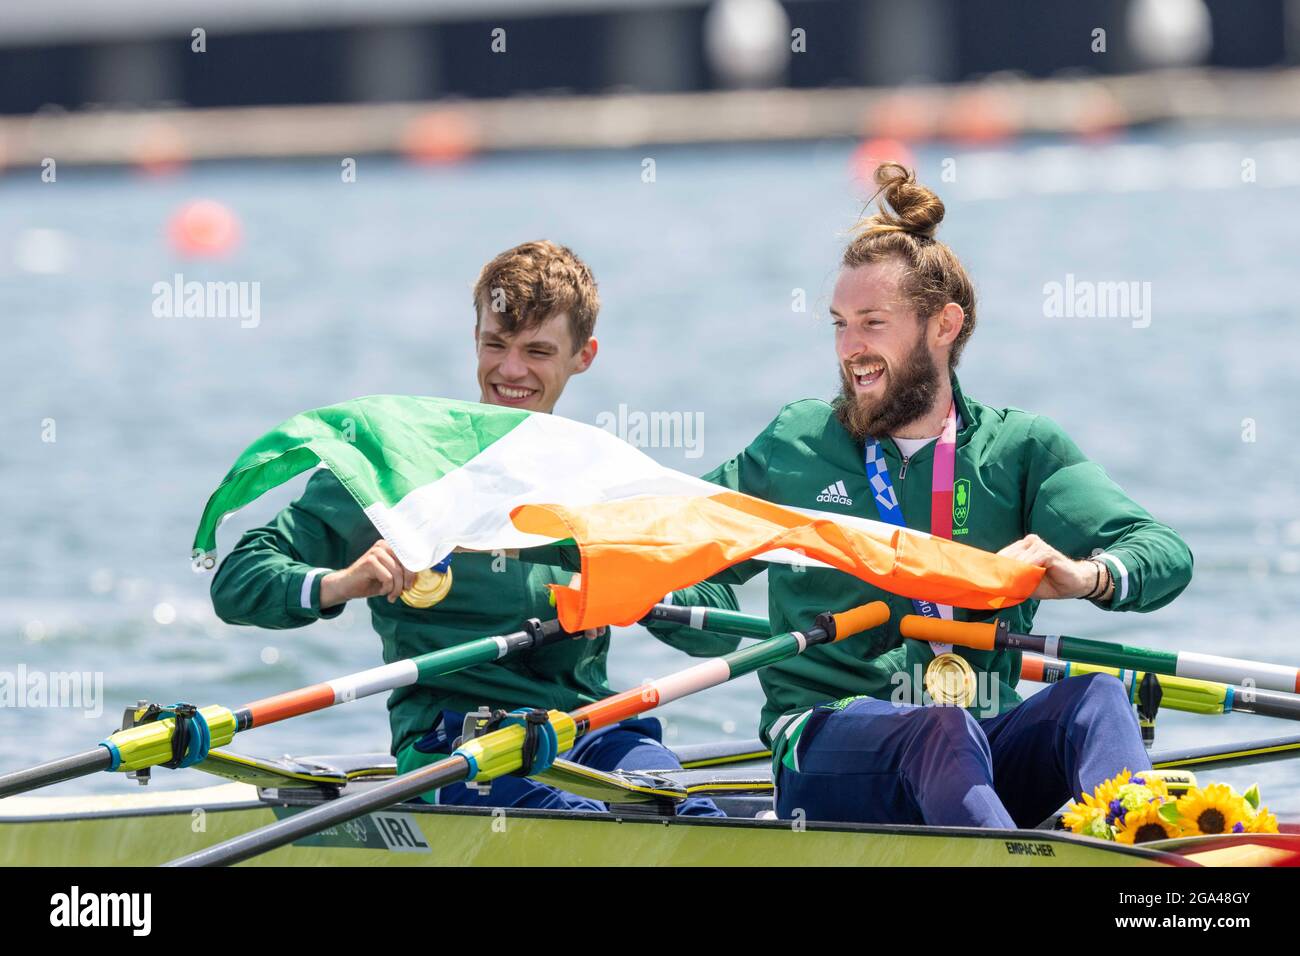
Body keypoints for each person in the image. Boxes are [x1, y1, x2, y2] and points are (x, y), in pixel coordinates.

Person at [702, 166, 1193, 829]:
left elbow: (1164, 553)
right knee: (942, 731)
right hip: (828, 748)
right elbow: (693, 560)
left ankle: (1144, 853)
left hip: (975, 740)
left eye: (873, 323)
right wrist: (650, 589)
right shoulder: (796, 443)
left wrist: (1090, 577)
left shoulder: (1019, 448)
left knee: (1099, 699)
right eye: (840, 324)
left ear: (944, 325)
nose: (851, 348)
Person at [212, 240, 738, 815]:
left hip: (591, 728)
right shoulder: (396, 470)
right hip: (455, 743)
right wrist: (341, 582)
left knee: (682, 814)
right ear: (476, 340)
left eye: (537, 351)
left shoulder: (602, 478)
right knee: (578, 824)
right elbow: (238, 582)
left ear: (583, 355)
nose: (511, 371)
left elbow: (718, 624)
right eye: (496, 344)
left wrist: (632, 586)